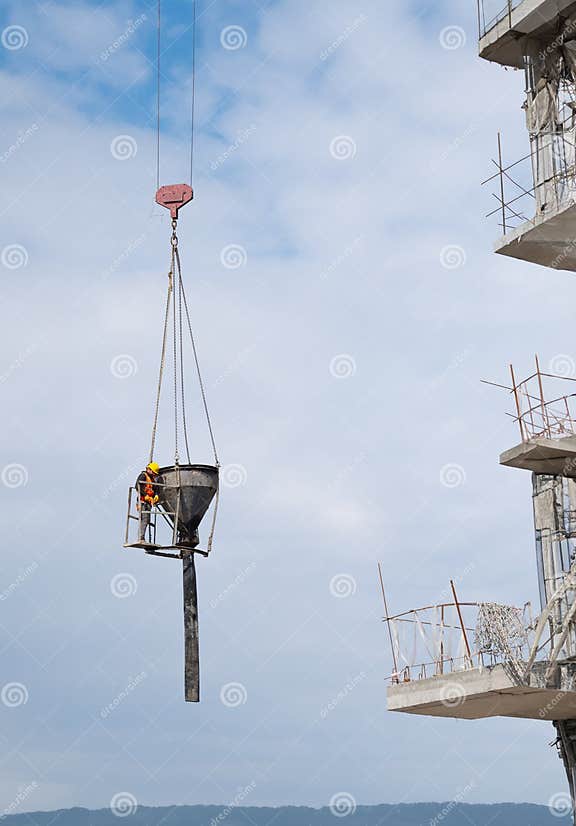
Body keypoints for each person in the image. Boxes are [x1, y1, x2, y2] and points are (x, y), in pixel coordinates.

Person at [136, 462, 160, 542]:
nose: (154, 474)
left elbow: (155, 488)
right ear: (149, 469)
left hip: (148, 503)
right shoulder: (143, 476)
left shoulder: (152, 479)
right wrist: (145, 494)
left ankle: (141, 537)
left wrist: (156, 495)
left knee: (146, 520)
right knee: (145, 519)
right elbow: (137, 485)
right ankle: (141, 538)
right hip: (143, 501)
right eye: (153, 472)